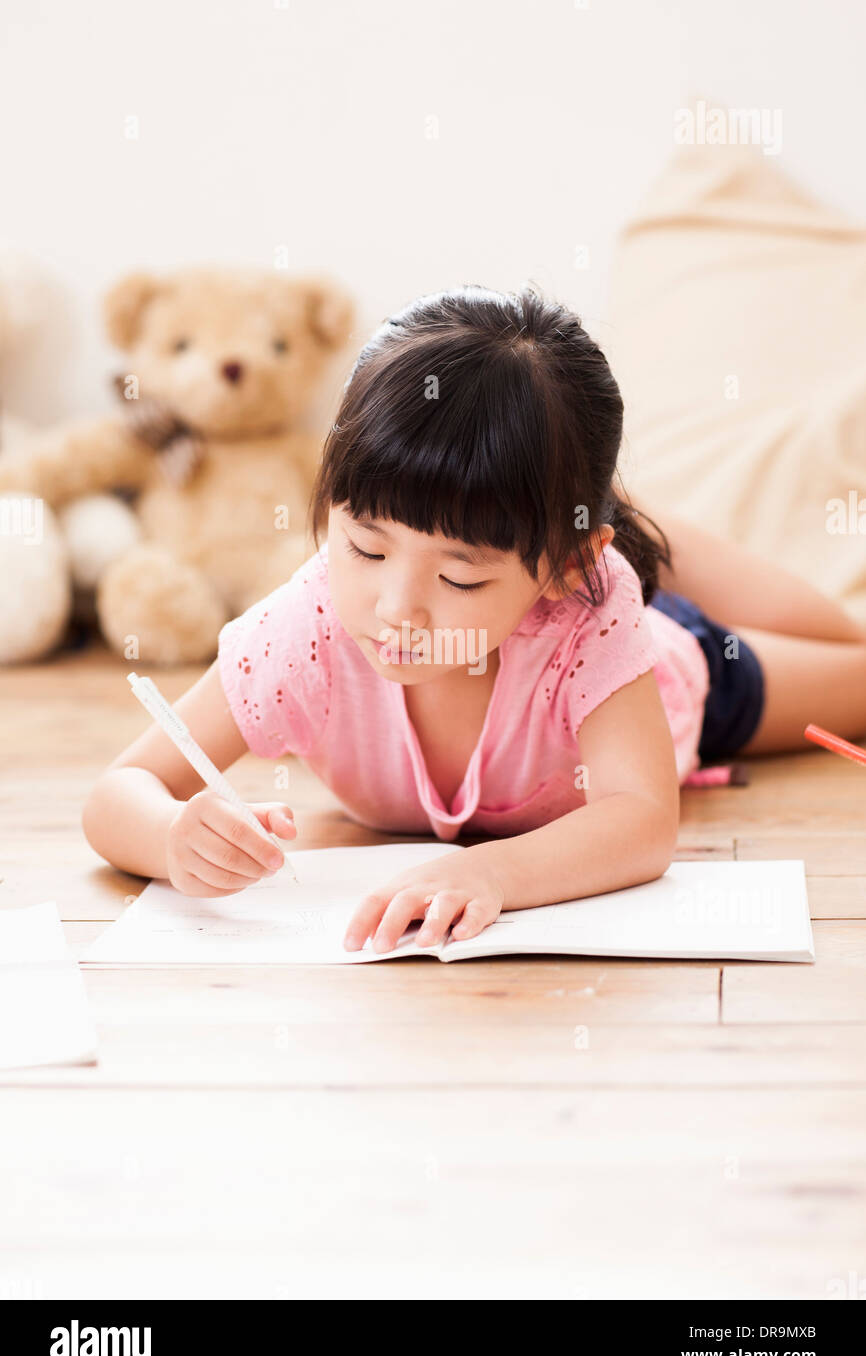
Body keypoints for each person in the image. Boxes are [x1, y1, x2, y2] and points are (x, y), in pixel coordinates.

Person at [83, 284, 866, 953]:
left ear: (564, 567)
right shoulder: (310, 624)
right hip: (566, 553)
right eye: (365, 547)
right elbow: (121, 792)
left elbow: (641, 820)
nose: (396, 612)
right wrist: (171, 837)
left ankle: (634, 532)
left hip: (684, 670)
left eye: (459, 576)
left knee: (853, 659)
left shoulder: (589, 610)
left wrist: (493, 871)